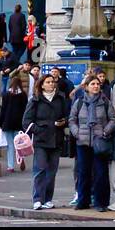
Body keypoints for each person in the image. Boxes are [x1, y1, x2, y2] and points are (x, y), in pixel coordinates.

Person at [22, 71, 69, 210]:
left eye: (52, 82)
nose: (51, 84)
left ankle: (48, 199)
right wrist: (39, 130)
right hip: (41, 140)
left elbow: (67, 116)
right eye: (48, 82)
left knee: (52, 171)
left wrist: (63, 122)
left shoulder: (60, 98)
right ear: (41, 85)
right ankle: (37, 199)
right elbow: (26, 122)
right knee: (40, 169)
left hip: (56, 139)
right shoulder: (35, 100)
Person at [69, 73, 115, 211]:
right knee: (83, 172)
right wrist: (76, 132)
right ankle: (83, 200)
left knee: (101, 173)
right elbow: (72, 119)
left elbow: (113, 119)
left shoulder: (105, 101)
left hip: (99, 141)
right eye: (92, 84)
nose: (96, 86)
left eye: (97, 84)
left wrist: (105, 131)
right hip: (83, 142)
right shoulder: (80, 102)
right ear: (86, 87)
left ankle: (101, 203)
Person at [0, 75, 28, 172]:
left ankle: (10, 166)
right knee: (19, 144)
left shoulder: (6, 95)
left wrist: (0, 123)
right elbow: (26, 110)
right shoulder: (23, 95)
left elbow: (3, 110)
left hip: (8, 122)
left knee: (10, 145)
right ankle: (21, 158)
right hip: (19, 122)